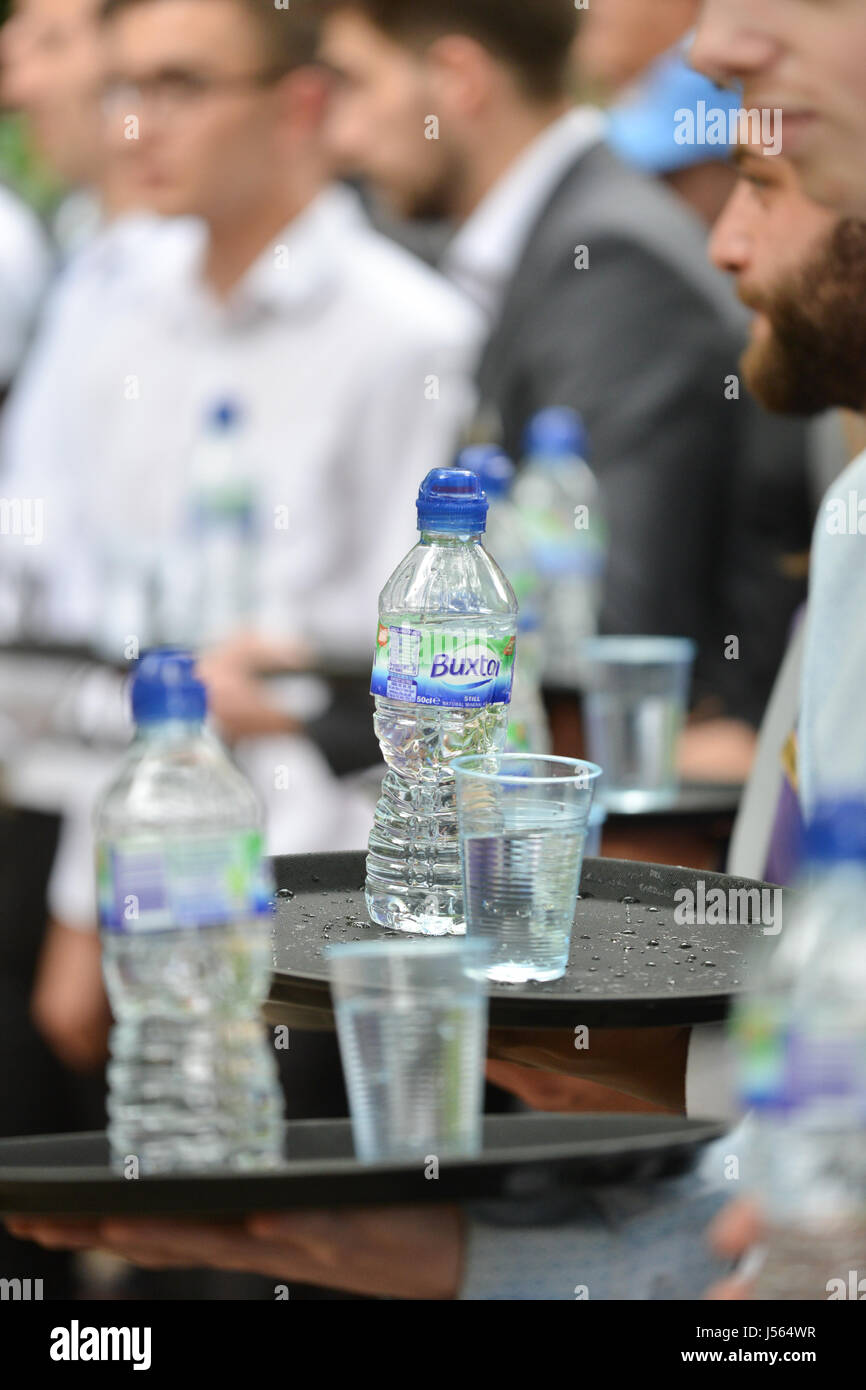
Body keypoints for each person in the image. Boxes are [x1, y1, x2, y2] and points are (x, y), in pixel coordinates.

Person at [14, 125, 866, 1304]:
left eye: (765, 184)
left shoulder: (416, 318)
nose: (718, 240)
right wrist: (475, 1245)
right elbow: (782, 1181)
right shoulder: (849, 520)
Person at [0, 0, 481, 1078]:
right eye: (123, 88)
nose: (137, 124)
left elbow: (388, 670)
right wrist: (88, 889)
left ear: (299, 105)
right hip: (96, 810)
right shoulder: (113, 301)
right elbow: (62, 606)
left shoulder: (408, 332)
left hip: (312, 878)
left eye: (179, 86)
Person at [317, 0, 811, 734]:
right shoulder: (558, 235)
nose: (343, 137)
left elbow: (600, 639)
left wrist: (321, 722)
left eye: (357, 84)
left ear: (459, 78)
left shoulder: (609, 263)